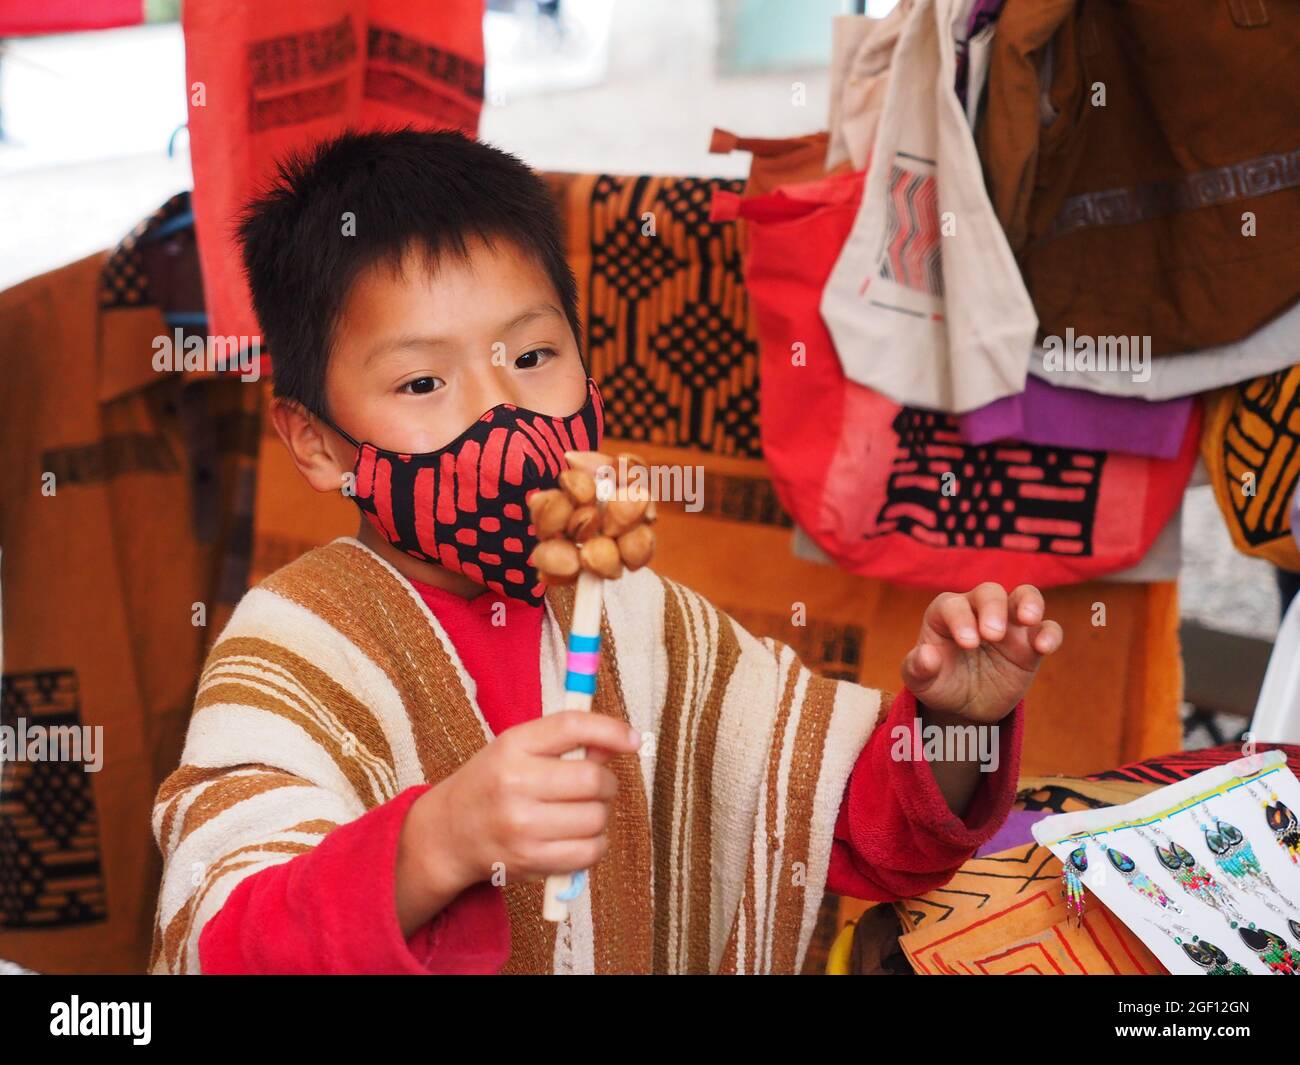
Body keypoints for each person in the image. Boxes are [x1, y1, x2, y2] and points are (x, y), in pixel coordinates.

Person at [148, 129, 1063, 974]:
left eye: (535, 355)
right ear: (315, 442)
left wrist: (955, 722)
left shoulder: (634, 613)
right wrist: (435, 842)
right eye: (423, 380)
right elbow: (225, 938)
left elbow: (843, 822)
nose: (498, 412)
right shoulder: (291, 654)